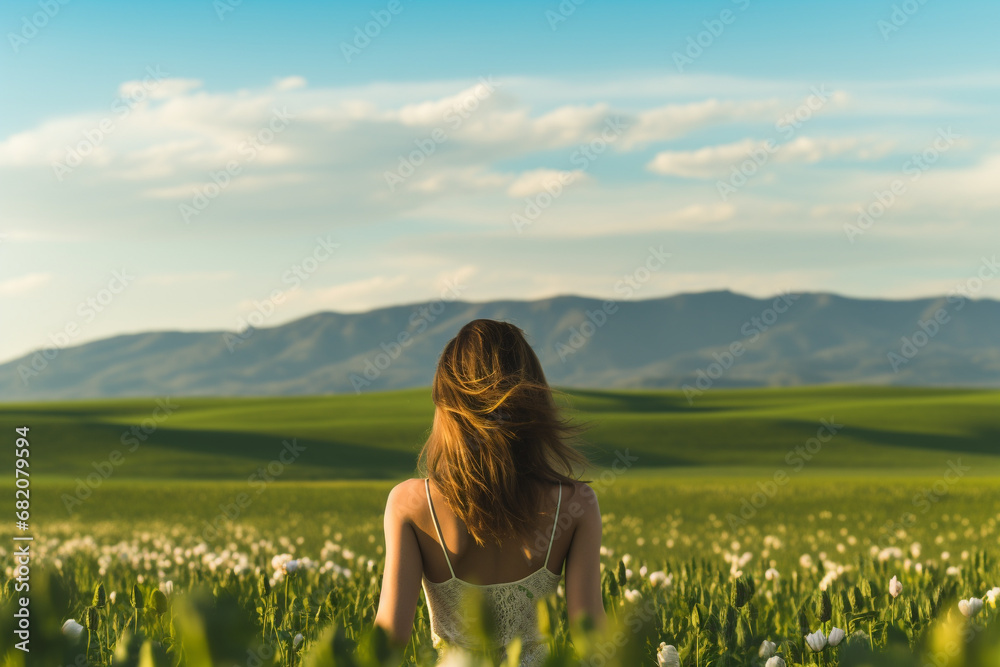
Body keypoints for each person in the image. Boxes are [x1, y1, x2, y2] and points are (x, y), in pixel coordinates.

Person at [374, 319, 607, 665]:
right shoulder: (576, 504)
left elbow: (389, 640)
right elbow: (594, 642)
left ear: (448, 401)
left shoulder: (410, 504)